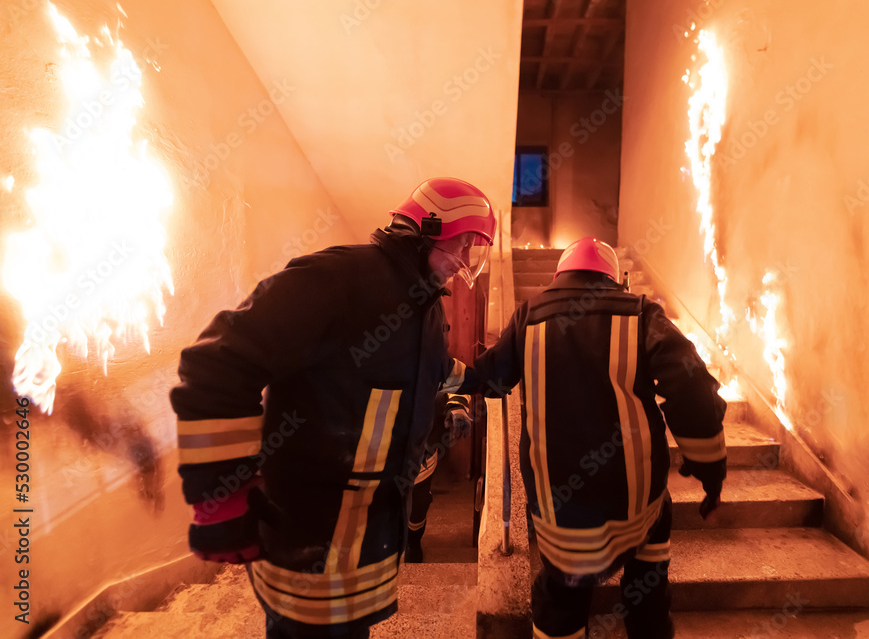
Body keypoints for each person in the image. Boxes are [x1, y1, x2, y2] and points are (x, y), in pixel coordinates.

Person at [169, 177, 496, 638]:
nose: (463, 262)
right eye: (462, 244)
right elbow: (217, 365)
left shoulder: (426, 306)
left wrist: (491, 375)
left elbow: (437, 368)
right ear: (428, 227)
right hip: (309, 548)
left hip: (361, 555)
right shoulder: (339, 280)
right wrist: (221, 498)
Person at [458, 238, 727, 639]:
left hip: (559, 504)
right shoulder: (642, 314)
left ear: (558, 277)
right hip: (638, 500)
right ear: (613, 278)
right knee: (648, 586)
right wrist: (709, 470)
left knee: (562, 600)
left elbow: (491, 378)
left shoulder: (528, 317)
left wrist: (444, 380)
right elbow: (691, 386)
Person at [404, 391, 473, 563]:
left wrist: (457, 408)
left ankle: (413, 543)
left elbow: (456, 385)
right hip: (382, 464)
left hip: (421, 464)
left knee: (417, 509)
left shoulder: (427, 367)